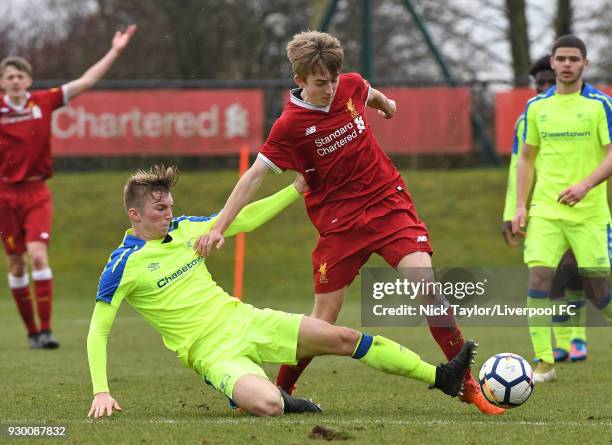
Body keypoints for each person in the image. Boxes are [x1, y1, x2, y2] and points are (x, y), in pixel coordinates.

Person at [193, 31, 502, 415]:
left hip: (387, 204)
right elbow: (254, 176)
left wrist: (387, 104)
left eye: (333, 80)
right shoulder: (289, 126)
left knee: (427, 288)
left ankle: (467, 385)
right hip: (339, 225)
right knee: (323, 319)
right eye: (321, 83)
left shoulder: (349, 85)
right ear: (300, 80)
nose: (330, 88)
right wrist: (220, 225)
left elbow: (367, 92)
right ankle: (281, 389)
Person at [86, 164, 476, 418]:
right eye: (160, 210)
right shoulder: (122, 265)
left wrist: (295, 189)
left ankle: (442, 377)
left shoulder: (187, 229)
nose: (169, 214)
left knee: (343, 337)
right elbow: (98, 331)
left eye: (170, 206)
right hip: (211, 352)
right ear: (134, 215)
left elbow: (246, 218)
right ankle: (287, 401)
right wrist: (101, 391)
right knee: (269, 405)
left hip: (247, 319)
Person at [0, 25, 137, 349]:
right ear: (2, 82)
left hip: (36, 192)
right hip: (5, 194)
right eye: (9, 76)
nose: (15, 80)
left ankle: (46, 331)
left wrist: (115, 50)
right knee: (17, 262)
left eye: (20, 76)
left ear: (29, 81)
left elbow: (86, 82)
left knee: (37, 256)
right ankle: (32, 332)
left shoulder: (43, 102)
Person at [512, 35, 612, 382]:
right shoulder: (537, 108)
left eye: (574, 59)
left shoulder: (601, 105)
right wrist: (521, 205)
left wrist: (585, 185)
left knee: (599, 293)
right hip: (546, 212)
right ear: (552, 63)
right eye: (561, 58)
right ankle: (543, 363)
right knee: (539, 277)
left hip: (590, 214)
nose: (567, 64)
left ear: (585, 63)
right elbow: (526, 158)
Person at [502, 55, 589, 363]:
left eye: (547, 83)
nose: (543, 88)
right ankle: (563, 342)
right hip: (543, 208)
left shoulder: (585, 110)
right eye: (538, 84)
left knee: (575, 273)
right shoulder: (528, 118)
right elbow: (518, 166)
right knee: (548, 274)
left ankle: (577, 336)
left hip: (581, 205)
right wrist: (511, 211)